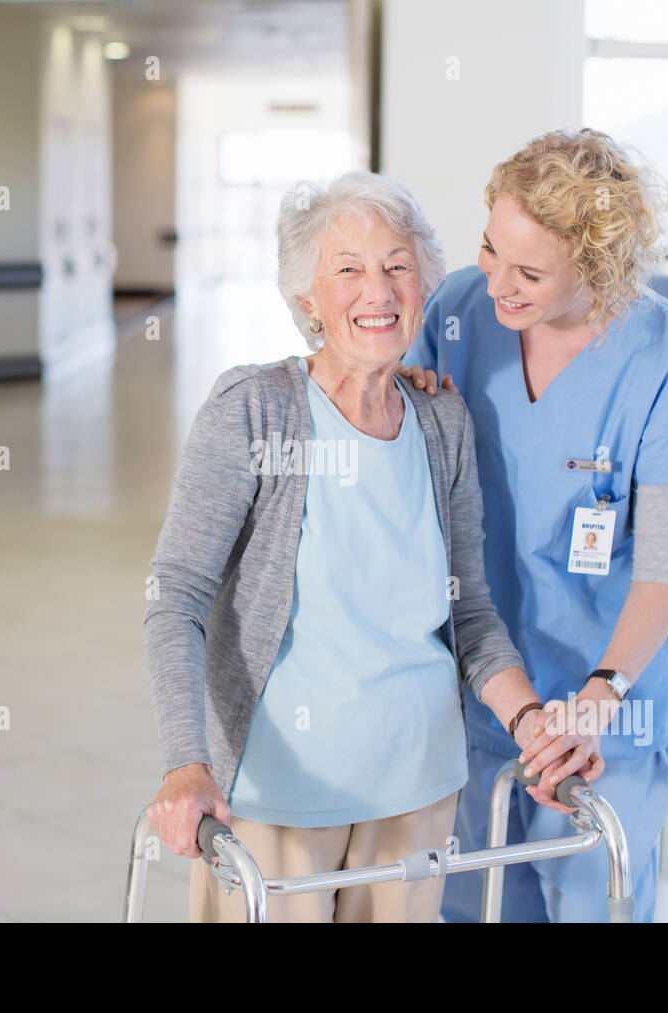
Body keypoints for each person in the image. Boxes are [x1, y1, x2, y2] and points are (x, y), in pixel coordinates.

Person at [143, 171, 597, 922]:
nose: (376, 290)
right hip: (277, 794)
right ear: (307, 300)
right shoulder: (253, 410)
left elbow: (471, 614)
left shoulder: (442, 420)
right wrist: (185, 763)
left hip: (417, 791)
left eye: (396, 265)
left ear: (424, 287)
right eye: (347, 269)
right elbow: (177, 597)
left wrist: (531, 722)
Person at [400, 128, 668, 922]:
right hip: (482, 690)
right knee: (476, 907)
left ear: (598, 267)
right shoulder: (458, 310)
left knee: (592, 904)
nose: (499, 284)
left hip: (606, 714)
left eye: (530, 272)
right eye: (491, 250)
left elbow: (662, 568)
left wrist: (597, 699)